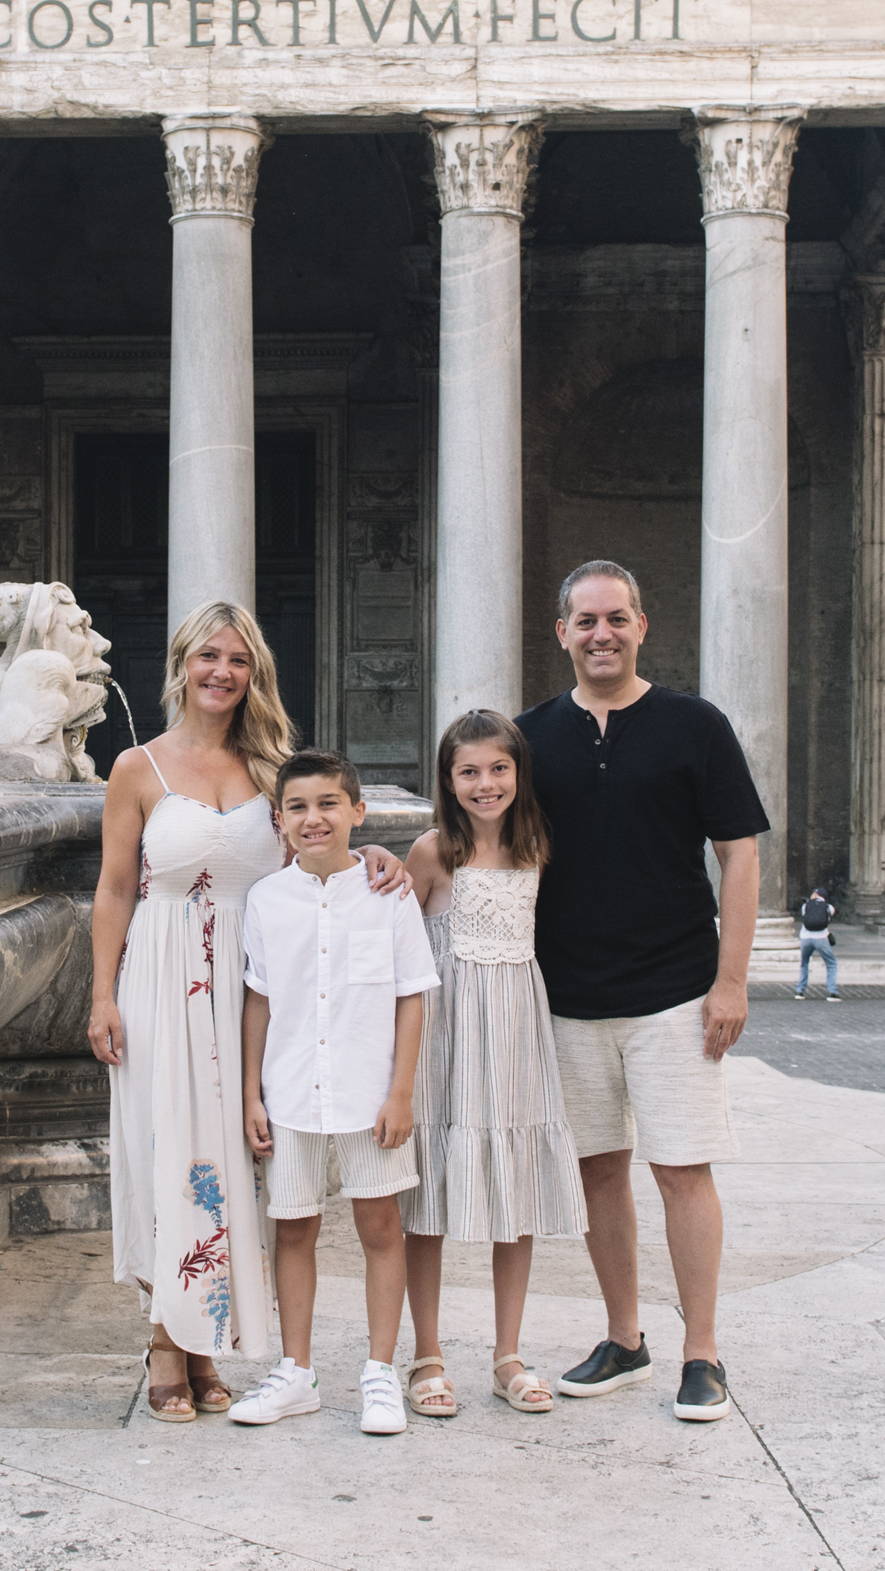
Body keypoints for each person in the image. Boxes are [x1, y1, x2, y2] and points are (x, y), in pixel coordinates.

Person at [92, 600, 400, 1421]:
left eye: (237, 659)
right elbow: (116, 886)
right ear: (182, 665)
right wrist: (99, 993)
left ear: (253, 671)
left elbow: (320, 834)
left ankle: (207, 1335)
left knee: (228, 1158)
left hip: (254, 985)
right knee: (166, 1148)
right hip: (158, 975)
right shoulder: (137, 768)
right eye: (207, 656)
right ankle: (170, 1340)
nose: (221, 672)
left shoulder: (272, 771)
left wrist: (373, 855)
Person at [521, 560, 764, 1425]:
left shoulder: (694, 724)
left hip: (675, 988)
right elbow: (476, 830)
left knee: (682, 1170)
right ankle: (624, 1336)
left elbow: (739, 852)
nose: (601, 633)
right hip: (567, 990)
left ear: (641, 625)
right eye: (585, 620)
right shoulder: (530, 735)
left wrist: (731, 979)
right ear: (562, 632)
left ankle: (703, 1350)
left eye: (616, 618)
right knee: (598, 1173)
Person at [231, 750, 436, 1434]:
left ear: (358, 811)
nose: (313, 818)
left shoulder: (389, 894)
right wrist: (252, 1094)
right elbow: (257, 999)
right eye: (297, 807)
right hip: (290, 1093)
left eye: (327, 803)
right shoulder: (266, 899)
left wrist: (400, 1090)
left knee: (380, 1227)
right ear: (280, 819)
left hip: (368, 1091)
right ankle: (297, 1371)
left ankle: (380, 1371)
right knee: (293, 1226)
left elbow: (412, 997)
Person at [397, 711, 591, 1419]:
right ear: (447, 779)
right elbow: (394, 950)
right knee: (429, 1194)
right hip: (446, 1032)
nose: (486, 783)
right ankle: (427, 1353)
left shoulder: (535, 845)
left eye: (498, 768)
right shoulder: (430, 852)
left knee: (515, 1188)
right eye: (469, 770)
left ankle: (508, 1352)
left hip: (514, 1027)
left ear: (519, 772)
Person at [794, 884, 840, 1001]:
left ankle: (800, 991)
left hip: (805, 937)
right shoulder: (829, 907)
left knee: (804, 963)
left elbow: (805, 916)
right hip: (821, 937)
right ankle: (832, 992)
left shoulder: (806, 906)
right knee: (831, 964)